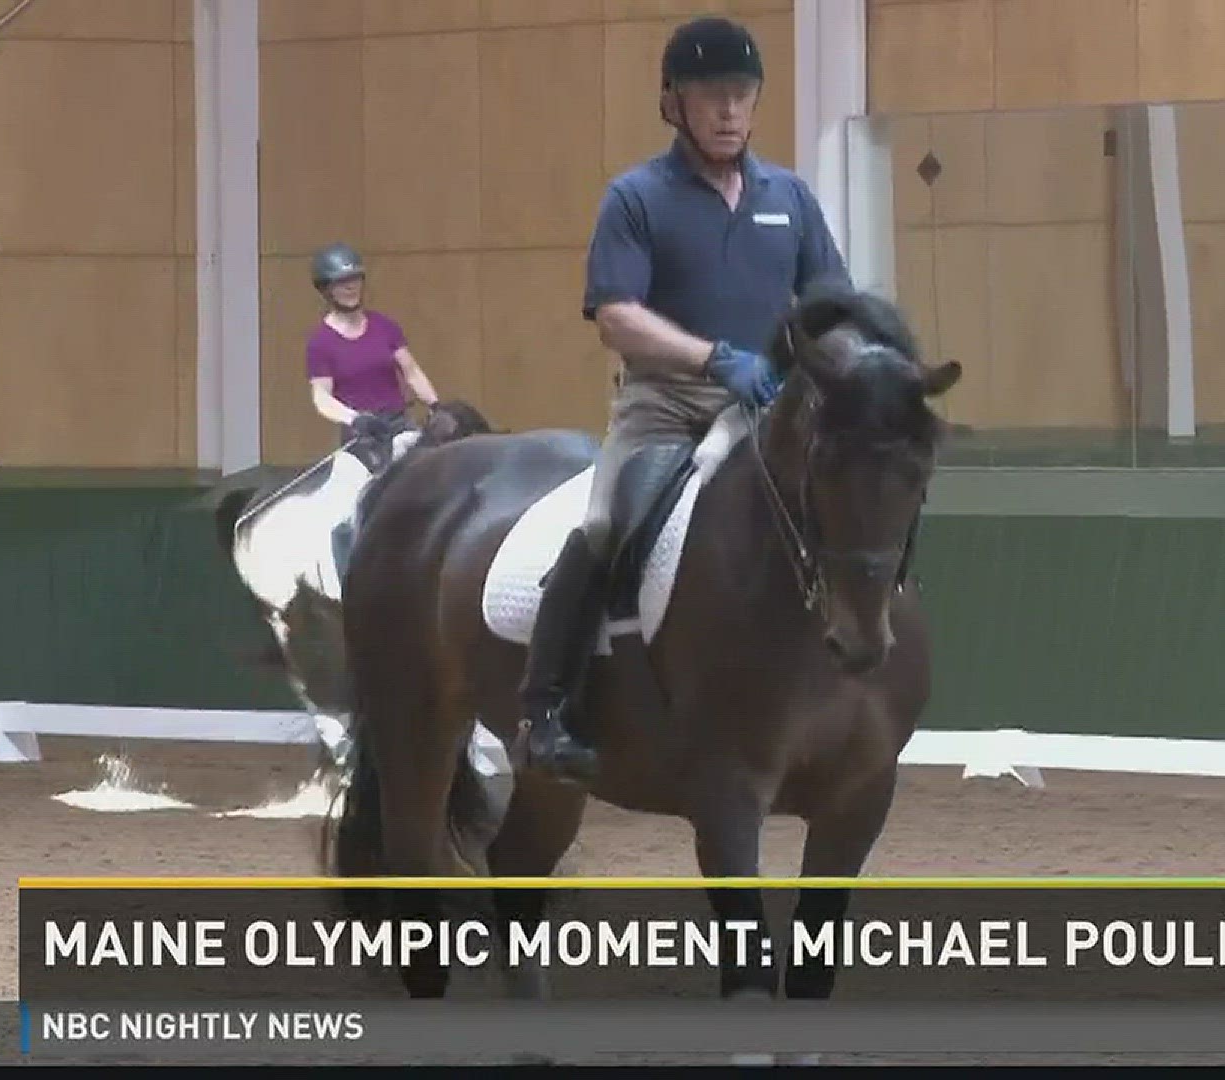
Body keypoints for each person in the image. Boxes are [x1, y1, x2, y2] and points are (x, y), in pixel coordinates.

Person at [516, 15, 853, 779]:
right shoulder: (637, 198)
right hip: (665, 407)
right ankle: (545, 708)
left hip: (770, 405)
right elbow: (616, 316)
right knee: (606, 522)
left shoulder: (789, 198)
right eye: (711, 96)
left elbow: (832, 299)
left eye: (741, 94)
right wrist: (714, 357)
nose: (729, 110)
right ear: (672, 103)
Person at [304, 243, 441, 473]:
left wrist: (437, 406)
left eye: (355, 279)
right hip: (362, 435)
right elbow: (322, 398)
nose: (351, 287)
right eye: (341, 282)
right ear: (326, 289)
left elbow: (412, 373)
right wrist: (355, 419)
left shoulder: (384, 326)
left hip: (399, 426)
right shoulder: (321, 342)